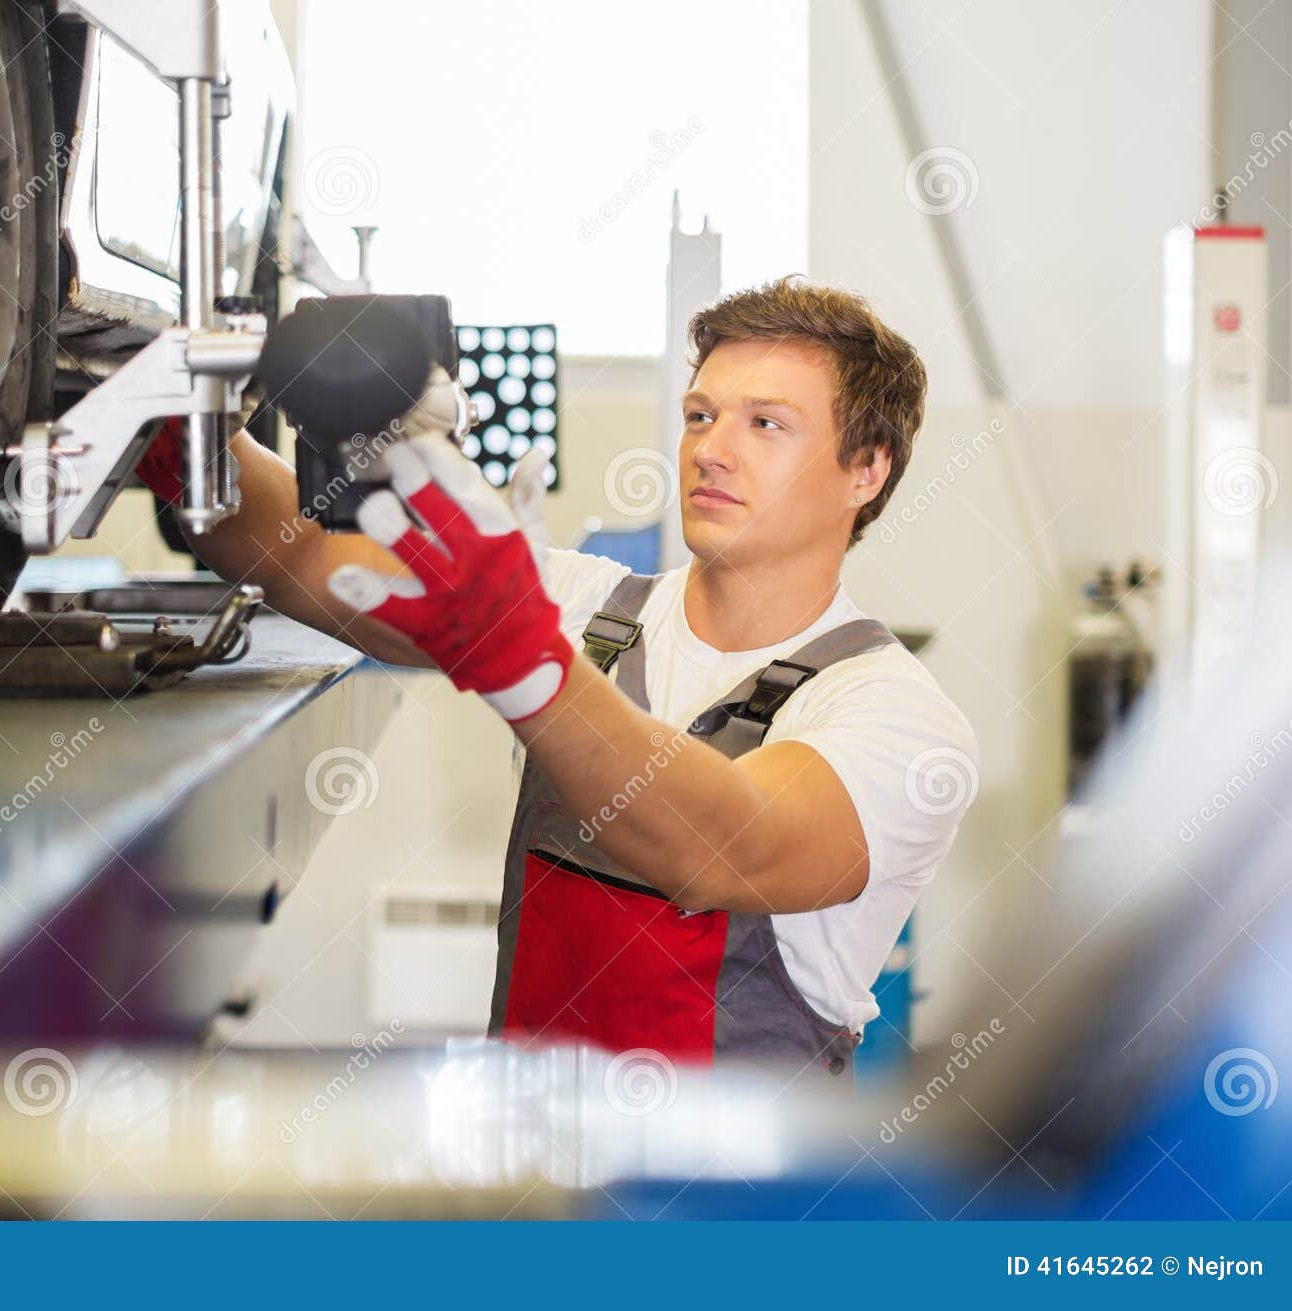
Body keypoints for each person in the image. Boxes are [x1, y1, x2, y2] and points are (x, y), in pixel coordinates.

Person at [141, 276, 978, 1080]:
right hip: (536, 1182)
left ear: (866, 468)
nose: (711, 450)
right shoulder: (586, 604)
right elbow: (302, 554)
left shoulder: (898, 717)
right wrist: (173, 431)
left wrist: (520, 650)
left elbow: (721, 847)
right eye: (700, 414)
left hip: (726, 1211)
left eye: (765, 424)